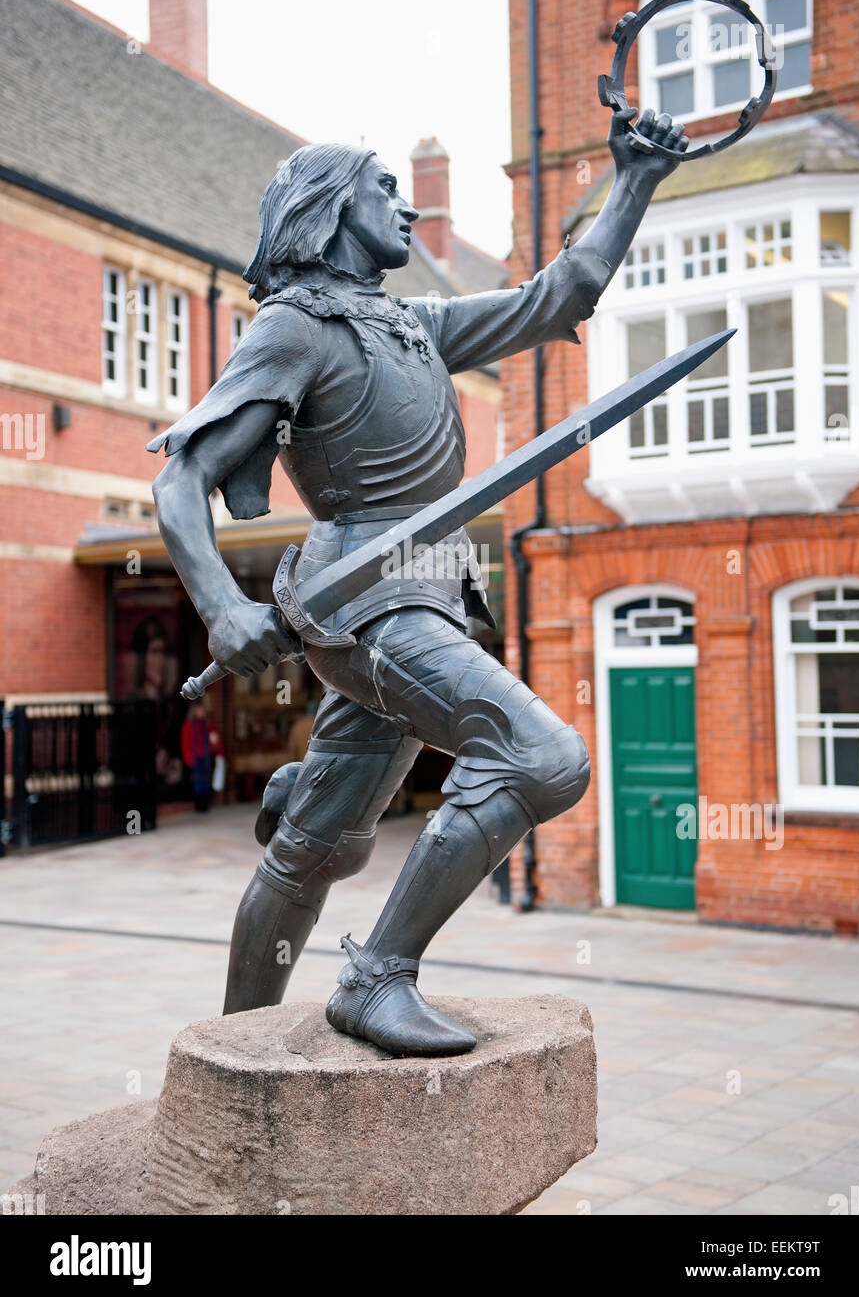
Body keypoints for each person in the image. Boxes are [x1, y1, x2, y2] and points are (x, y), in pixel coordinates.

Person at [149, 107, 688, 1056]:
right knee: (544, 758)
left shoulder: (415, 326)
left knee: (312, 846)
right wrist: (221, 606)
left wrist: (633, 178)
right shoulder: (295, 327)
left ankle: (234, 1050)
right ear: (330, 206)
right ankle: (375, 978)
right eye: (381, 187)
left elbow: (565, 292)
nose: (401, 205)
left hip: (428, 594)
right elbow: (180, 477)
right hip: (369, 601)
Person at [181, 699, 223, 813]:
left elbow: (215, 740)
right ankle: (198, 805)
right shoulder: (188, 725)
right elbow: (185, 743)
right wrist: (188, 759)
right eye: (199, 710)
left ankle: (205, 804)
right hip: (195, 758)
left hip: (206, 757)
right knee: (197, 782)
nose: (201, 712)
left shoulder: (208, 724)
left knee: (206, 781)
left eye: (202, 710)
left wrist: (215, 747)